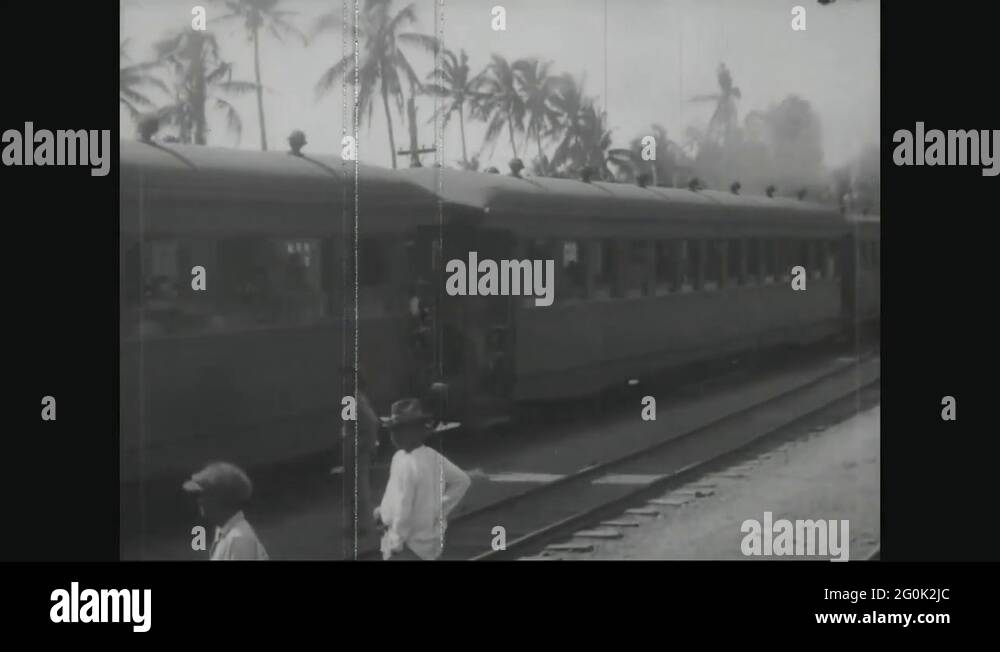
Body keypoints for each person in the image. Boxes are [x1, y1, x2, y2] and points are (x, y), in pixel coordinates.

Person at [375, 398, 471, 560]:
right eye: (393, 431)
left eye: (399, 431)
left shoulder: (405, 462)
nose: (393, 436)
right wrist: (438, 508)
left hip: (406, 544)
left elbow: (402, 507)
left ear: (415, 433)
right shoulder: (432, 456)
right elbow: (462, 481)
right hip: (429, 542)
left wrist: (396, 543)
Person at [182, 462, 269, 561]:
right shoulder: (226, 533)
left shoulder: (238, 539)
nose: (199, 501)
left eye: (202, 494)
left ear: (220, 498)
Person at [341, 365, 380, 546]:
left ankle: (363, 525)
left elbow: (371, 422)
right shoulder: (349, 398)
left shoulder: (355, 398)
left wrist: (365, 444)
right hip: (352, 446)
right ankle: (355, 523)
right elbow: (348, 423)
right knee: (352, 487)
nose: (344, 380)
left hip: (357, 447)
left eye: (347, 377)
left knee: (359, 487)